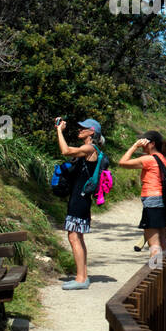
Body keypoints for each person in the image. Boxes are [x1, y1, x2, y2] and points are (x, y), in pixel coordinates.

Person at [56, 117, 102, 289]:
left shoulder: (90, 148)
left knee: (73, 236)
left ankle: (81, 279)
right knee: (77, 237)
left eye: (83, 128)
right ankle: (82, 275)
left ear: (92, 132)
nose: (79, 130)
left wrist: (59, 130)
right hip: (81, 199)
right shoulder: (90, 149)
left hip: (79, 200)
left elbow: (66, 151)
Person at [118, 131, 166, 261]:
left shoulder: (149, 160)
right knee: (163, 240)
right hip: (161, 200)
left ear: (152, 143)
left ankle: (156, 272)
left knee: (153, 243)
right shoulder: (162, 158)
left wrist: (134, 147)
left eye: (143, 141)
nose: (141, 144)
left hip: (152, 200)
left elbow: (122, 162)